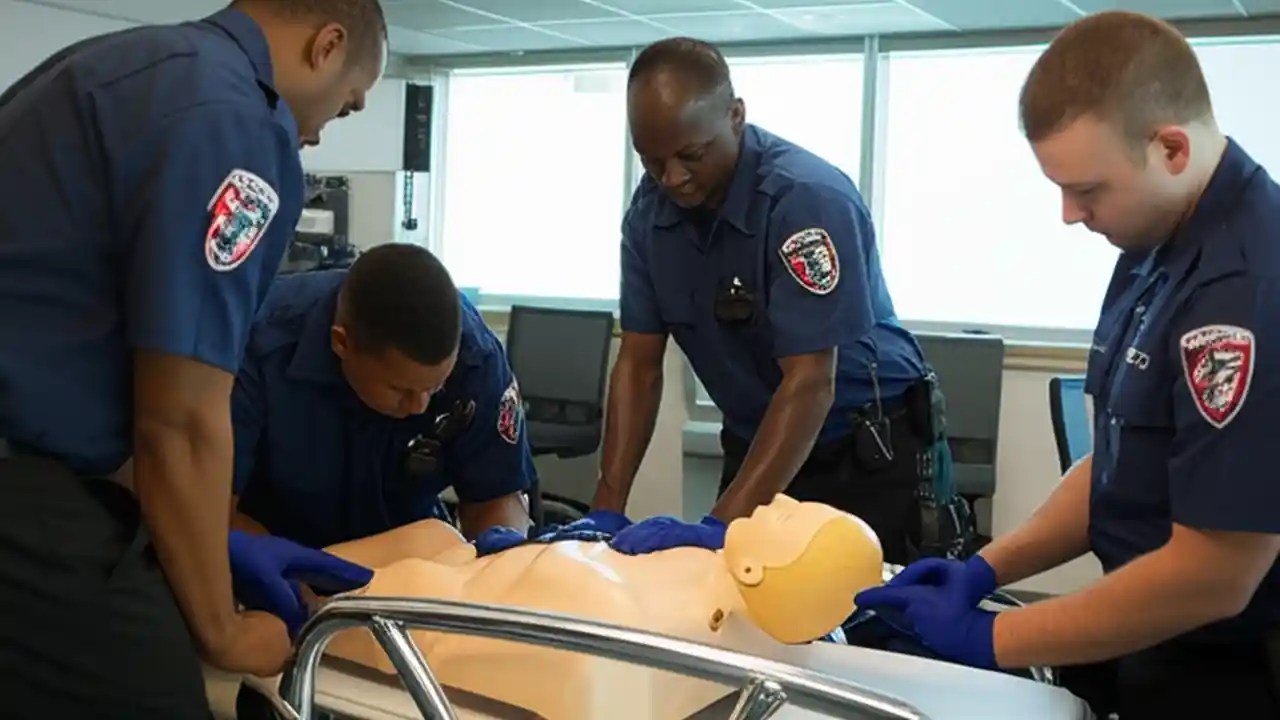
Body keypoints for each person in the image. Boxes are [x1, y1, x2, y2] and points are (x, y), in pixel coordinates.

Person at [855, 11, 1280, 719]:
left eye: (1088, 191)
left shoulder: (1246, 288)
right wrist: (986, 569)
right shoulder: (1155, 241)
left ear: (1171, 148)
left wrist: (993, 636)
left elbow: (1216, 574)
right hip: (1152, 632)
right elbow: (1116, 464)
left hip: (1234, 665)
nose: (1069, 215)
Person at [0, 1, 386, 716]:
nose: (324, 128)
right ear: (326, 46)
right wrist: (224, 628)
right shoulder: (237, 121)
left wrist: (211, 545)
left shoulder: (122, 66)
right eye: (349, 104)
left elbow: (68, 361)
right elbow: (179, 419)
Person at [590, 36, 963, 565]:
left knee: (868, 625)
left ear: (736, 116)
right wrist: (606, 508)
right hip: (757, 438)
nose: (671, 178)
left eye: (690, 155)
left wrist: (722, 524)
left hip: (865, 448)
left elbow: (811, 381)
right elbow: (638, 364)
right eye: (651, 161)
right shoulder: (651, 215)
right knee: (733, 613)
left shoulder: (804, 199)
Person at [288, 494, 883, 720]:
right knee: (430, 533)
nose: (776, 498)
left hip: (474, 600)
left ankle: (259, 587)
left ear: (756, 570)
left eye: (787, 516)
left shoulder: (661, 619)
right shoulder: (766, 616)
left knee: (395, 565)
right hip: (502, 572)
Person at [231, 243, 536, 555]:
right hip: (275, 550)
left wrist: (500, 567)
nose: (419, 406)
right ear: (341, 343)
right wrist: (286, 577)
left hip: (406, 557)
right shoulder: (256, 345)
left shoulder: (476, 357)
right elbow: (212, 508)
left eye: (434, 389)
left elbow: (495, 499)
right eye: (400, 390)